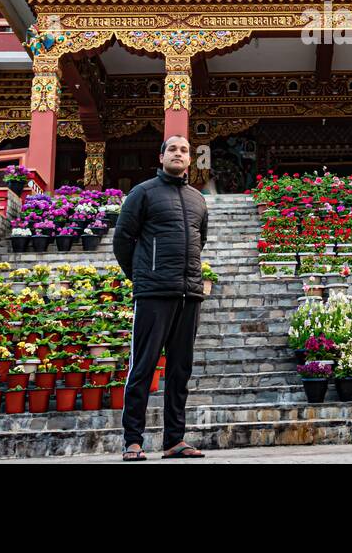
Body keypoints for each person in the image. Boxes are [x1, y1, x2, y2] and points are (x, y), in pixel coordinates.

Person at [112, 135, 208, 460]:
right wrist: (142, 276)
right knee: (143, 366)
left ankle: (174, 441)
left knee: (180, 370)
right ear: (162, 155)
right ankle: (133, 441)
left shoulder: (198, 199)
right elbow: (123, 240)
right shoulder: (143, 193)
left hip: (189, 293)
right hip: (153, 294)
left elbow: (200, 240)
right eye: (173, 149)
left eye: (184, 150)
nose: (179, 154)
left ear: (190, 160)